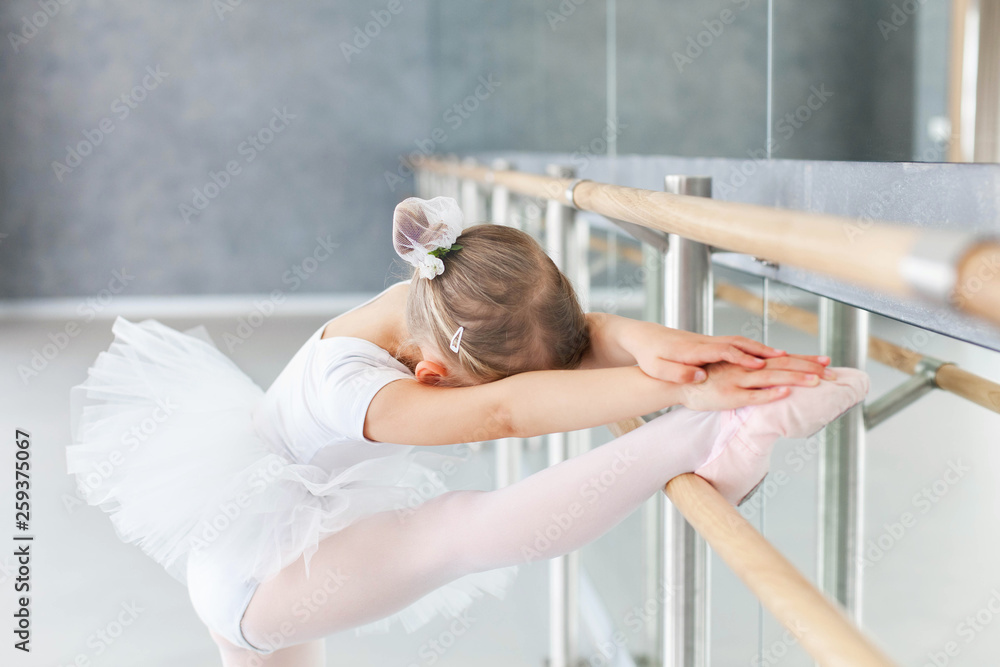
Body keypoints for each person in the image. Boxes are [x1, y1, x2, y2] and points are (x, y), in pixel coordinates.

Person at [66, 195, 868, 666]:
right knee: (455, 529)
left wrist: (670, 349)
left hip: (249, 559)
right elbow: (505, 408)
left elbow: (568, 335)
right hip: (252, 582)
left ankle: (713, 425)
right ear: (434, 379)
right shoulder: (374, 398)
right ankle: (712, 432)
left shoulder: (423, 301)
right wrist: (692, 398)